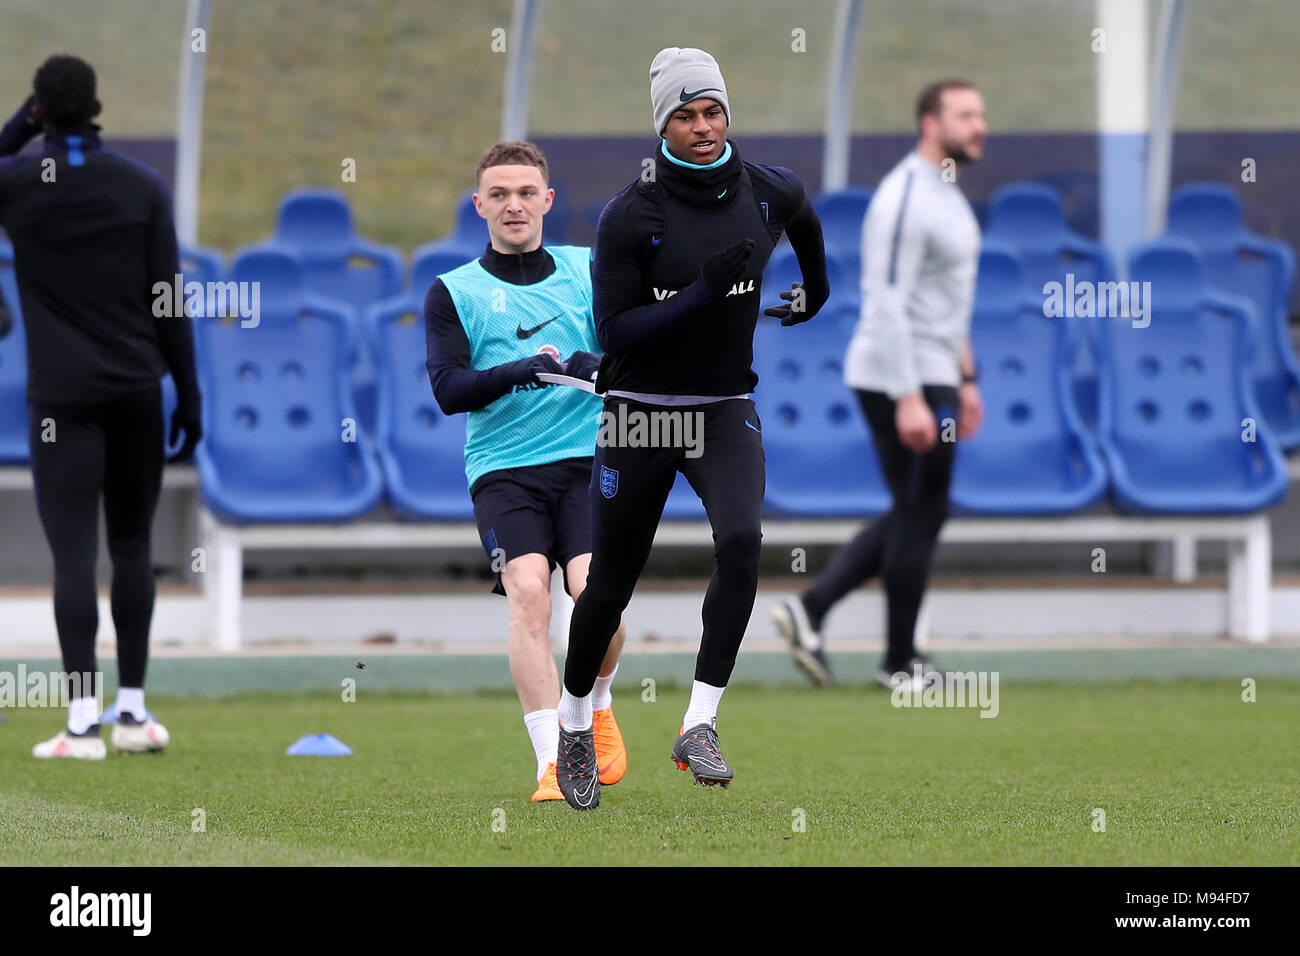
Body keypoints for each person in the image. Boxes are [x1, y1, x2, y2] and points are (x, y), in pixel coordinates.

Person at [552, 47, 831, 809]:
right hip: (640, 416)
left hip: (722, 412)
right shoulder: (631, 214)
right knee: (609, 585)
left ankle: (698, 724)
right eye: (684, 114)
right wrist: (703, 294)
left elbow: (805, 218)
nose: (702, 127)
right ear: (662, 125)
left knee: (742, 541)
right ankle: (576, 722)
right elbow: (615, 333)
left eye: (712, 111)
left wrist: (818, 290)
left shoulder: (771, 190)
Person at [0, 55, 201, 758]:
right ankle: (134, 715)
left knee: (72, 557)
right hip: (136, 392)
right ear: (100, 106)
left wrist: (21, 130)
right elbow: (169, 300)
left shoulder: (18, 180)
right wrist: (191, 396)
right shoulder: (141, 185)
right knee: (134, 546)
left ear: (39, 112)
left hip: (60, 400)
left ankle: (81, 723)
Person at [425, 140, 628, 802]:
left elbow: (629, 352)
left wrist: (603, 369)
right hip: (504, 470)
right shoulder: (455, 291)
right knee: (530, 592)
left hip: (585, 461)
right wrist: (529, 369)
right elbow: (451, 390)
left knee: (598, 592)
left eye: (525, 193)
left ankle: (596, 706)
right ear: (479, 205)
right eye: (499, 194)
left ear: (547, 200)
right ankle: (551, 760)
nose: (513, 205)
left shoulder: (585, 271)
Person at [772, 79, 986, 689]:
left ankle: (813, 609)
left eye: (981, 115)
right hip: (901, 375)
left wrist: (966, 376)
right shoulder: (904, 196)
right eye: (965, 115)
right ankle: (898, 662)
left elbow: (948, 299)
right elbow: (887, 301)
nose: (979, 126)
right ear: (929, 123)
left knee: (917, 508)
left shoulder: (948, 191)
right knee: (923, 510)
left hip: (938, 372)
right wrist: (910, 396)